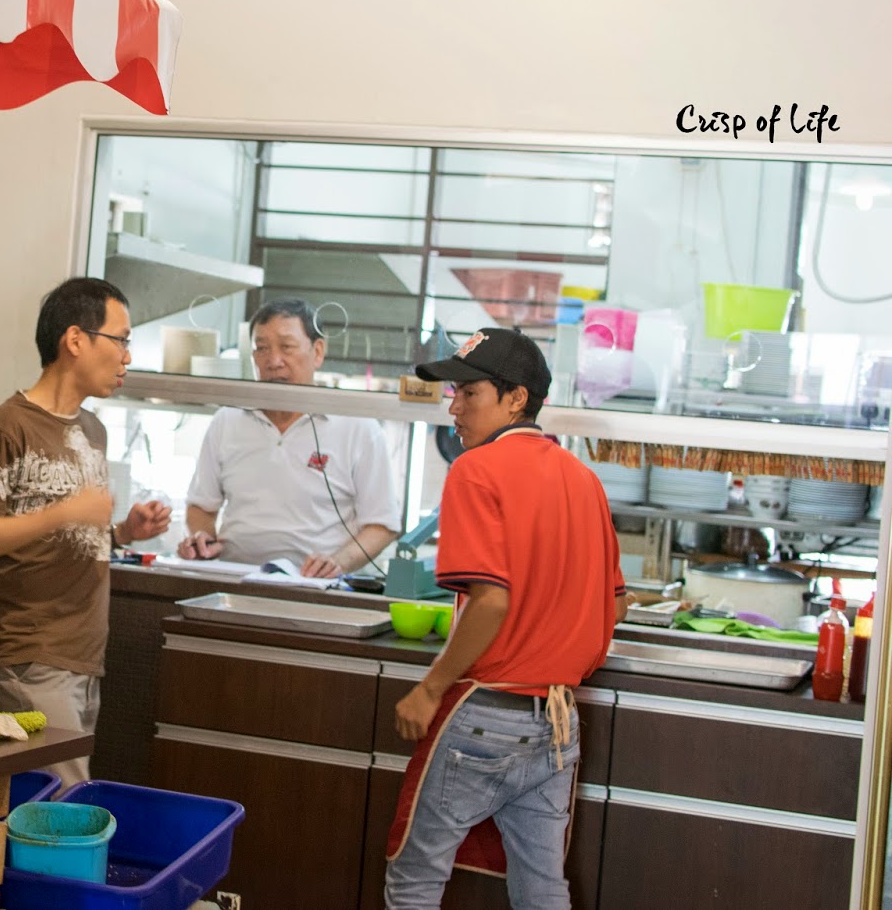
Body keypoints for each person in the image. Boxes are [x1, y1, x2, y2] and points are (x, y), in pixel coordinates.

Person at [384, 327, 627, 909]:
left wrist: (428, 689)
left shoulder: (477, 470)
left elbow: (491, 600)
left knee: (415, 878)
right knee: (541, 885)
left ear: (516, 399)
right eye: (454, 392)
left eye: (469, 392)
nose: (455, 405)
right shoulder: (584, 480)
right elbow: (615, 602)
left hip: (484, 715)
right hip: (558, 724)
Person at [0, 277, 170, 787]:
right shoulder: (7, 428)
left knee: (51, 801)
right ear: (76, 340)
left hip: (84, 652)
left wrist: (124, 531)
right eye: (121, 340)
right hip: (30, 649)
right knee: (64, 805)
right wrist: (63, 513)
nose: (127, 357)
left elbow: (67, 534)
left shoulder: (92, 430)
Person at [178, 298, 401, 578]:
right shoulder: (227, 419)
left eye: (287, 347)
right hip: (233, 576)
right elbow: (201, 506)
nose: (273, 361)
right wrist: (202, 539)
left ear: (317, 352)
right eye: (261, 349)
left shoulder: (358, 427)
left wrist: (338, 562)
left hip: (313, 585)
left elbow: (382, 525)